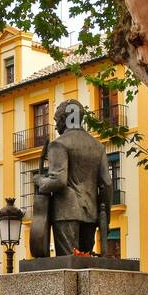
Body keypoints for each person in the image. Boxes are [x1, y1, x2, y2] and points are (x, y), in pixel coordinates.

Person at [35, 99, 112, 256]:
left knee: (68, 261)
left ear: (65, 119)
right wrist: (105, 218)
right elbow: (107, 184)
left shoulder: (59, 144)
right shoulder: (98, 147)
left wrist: (39, 181)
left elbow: (59, 180)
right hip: (91, 214)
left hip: (66, 213)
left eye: (57, 121)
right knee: (85, 261)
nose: (56, 126)